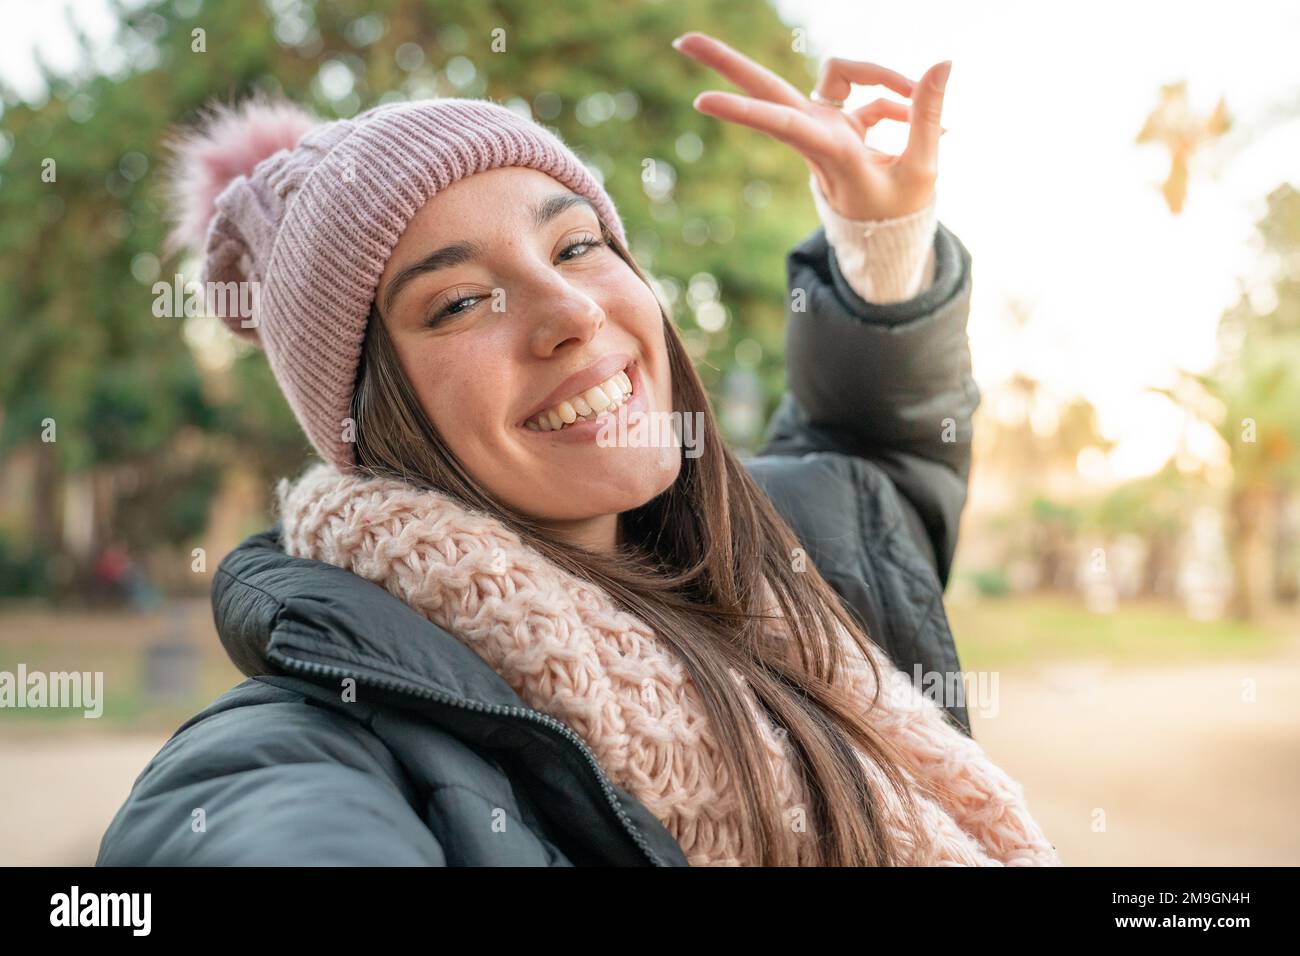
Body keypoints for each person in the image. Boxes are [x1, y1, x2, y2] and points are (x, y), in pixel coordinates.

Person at [97, 32, 1060, 866]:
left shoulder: (787, 545)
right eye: (460, 302)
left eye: (574, 247)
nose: (570, 312)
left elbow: (878, 457)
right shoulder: (312, 748)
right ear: (370, 418)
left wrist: (880, 244)